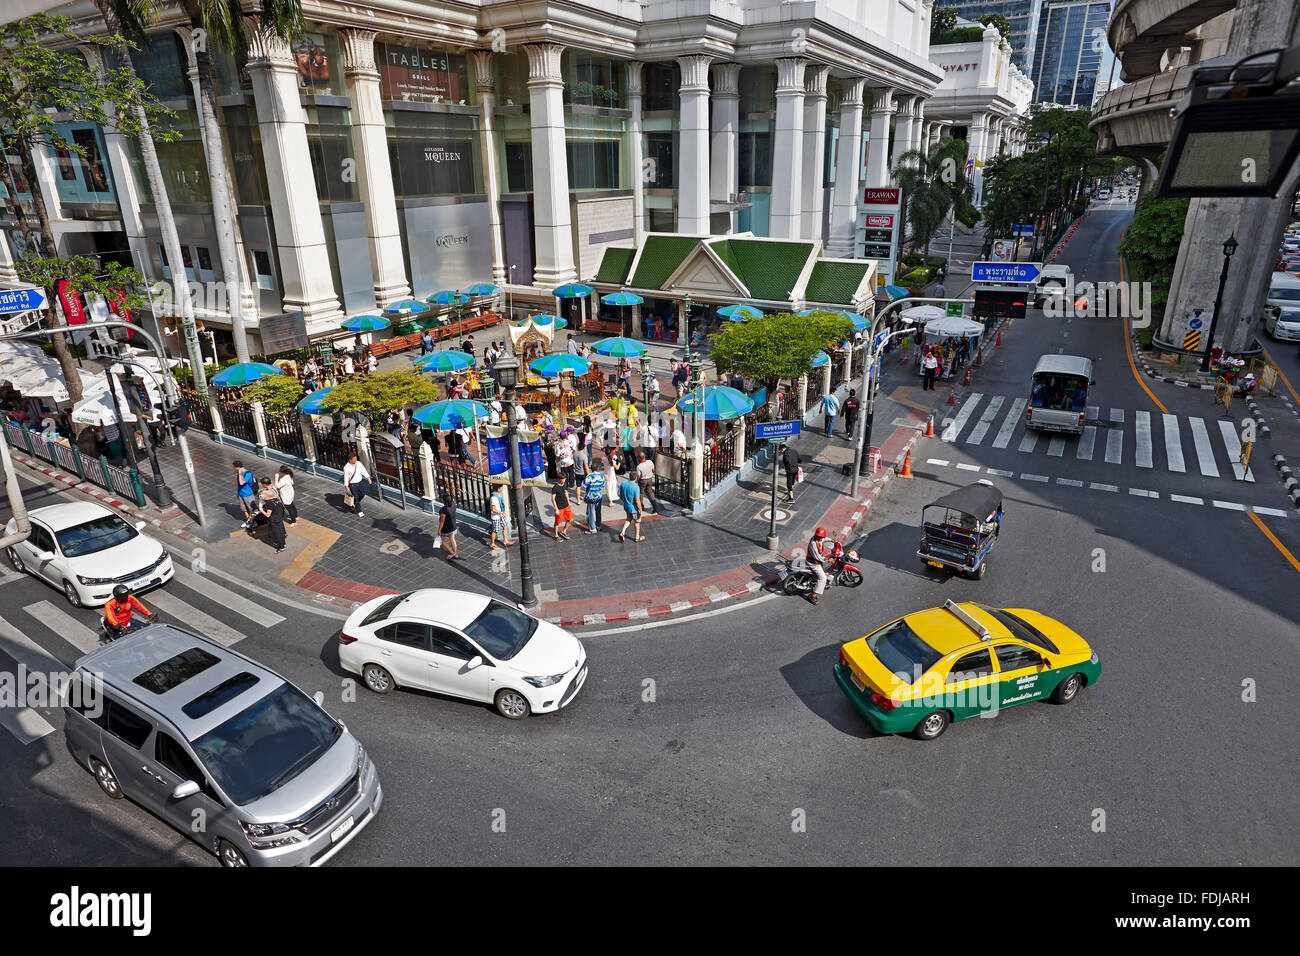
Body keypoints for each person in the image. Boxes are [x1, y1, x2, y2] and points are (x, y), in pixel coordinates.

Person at [259, 478, 287, 553]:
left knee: (277, 534)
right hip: (279, 519)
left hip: (274, 520)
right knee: (281, 532)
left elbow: (268, 515)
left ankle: (281, 547)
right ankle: (283, 544)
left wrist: (261, 510)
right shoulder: (278, 502)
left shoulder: (271, 505)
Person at [806, 526, 830, 605]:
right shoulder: (813, 544)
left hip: (817, 561)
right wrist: (828, 560)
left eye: (821, 537)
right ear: (816, 535)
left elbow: (824, 539)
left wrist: (832, 540)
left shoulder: (820, 538)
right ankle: (812, 595)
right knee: (823, 578)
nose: (821, 538)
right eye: (819, 537)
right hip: (813, 563)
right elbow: (818, 557)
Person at [618, 473, 644, 542]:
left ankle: (622, 532)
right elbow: (637, 500)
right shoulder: (636, 487)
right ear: (636, 478)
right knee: (637, 522)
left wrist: (623, 499)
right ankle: (637, 537)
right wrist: (640, 510)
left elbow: (618, 493)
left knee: (629, 518)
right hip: (634, 508)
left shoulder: (623, 483)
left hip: (626, 506)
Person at [342, 453, 370, 517]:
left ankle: (355, 502)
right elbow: (346, 478)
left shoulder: (359, 463)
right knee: (356, 497)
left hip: (360, 482)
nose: (355, 460)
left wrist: (368, 478)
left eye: (356, 458)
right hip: (353, 485)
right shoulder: (346, 467)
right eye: (354, 459)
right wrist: (346, 487)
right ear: (350, 460)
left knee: (362, 494)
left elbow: (363, 470)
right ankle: (359, 510)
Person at [581, 462, 606, 533]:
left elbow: (584, 485)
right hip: (599, 496)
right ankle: (598, 526)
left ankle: (592, 529)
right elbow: (603, 485)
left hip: (591, 497)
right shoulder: (601, 476)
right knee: (598, 511)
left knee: (590, 513)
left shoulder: (589, 476)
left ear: (591, 469)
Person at [235, 461, 259, 530]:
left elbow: (241, 483)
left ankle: (255, 522)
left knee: (252, 509)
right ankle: (249, 520)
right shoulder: (239, 473)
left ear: (237, 467)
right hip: (241, 494)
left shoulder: (247, 474)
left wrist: (239, 474)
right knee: (244, 509)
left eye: (235, 468)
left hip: (248, 494)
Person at [550, 472, 574, 540]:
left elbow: (566, 493)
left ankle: (563, 531)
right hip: (559, 508)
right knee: (557, 522)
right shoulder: (555, 487)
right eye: (563, 479)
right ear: (559, 479)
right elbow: (553, 499)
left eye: (565, 478)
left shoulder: (565, 484)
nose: (565, 479)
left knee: (570, 519)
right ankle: (556, 535)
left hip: (566, 506)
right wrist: (556, 509)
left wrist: (569, 502)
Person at [489, 484, 513, 549]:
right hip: (496, 517)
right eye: (501, 488)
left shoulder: (497, 496)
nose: (502, 489)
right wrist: (502, 512)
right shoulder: (493, 498)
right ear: (498, 489)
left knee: (505, 526)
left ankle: (505, 541)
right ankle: (492, 544)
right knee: (495, 530)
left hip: (500, 515)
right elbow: (493, 509)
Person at [438, 493, 459, 560]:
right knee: (452, 539)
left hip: (446, 528)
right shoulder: (454, 505)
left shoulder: (443, 510)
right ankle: (455, 553)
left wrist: (439, 530)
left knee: (442, 541)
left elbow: (442, 522)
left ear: (444, 501)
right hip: (453, 526)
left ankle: (453, 553)